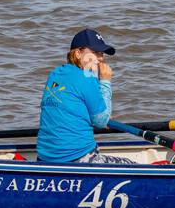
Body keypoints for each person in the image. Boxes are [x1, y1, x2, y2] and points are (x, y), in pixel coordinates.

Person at [36, 28, 133, 165]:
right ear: (77, 53)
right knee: (130, 164)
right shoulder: (86, 79)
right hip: (77, 157)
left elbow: (74, 101)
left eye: (101, 53)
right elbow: (101, 121)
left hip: (45, 157)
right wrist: (105, 81)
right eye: (94, 53)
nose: (100, 58)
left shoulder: (55, 74)